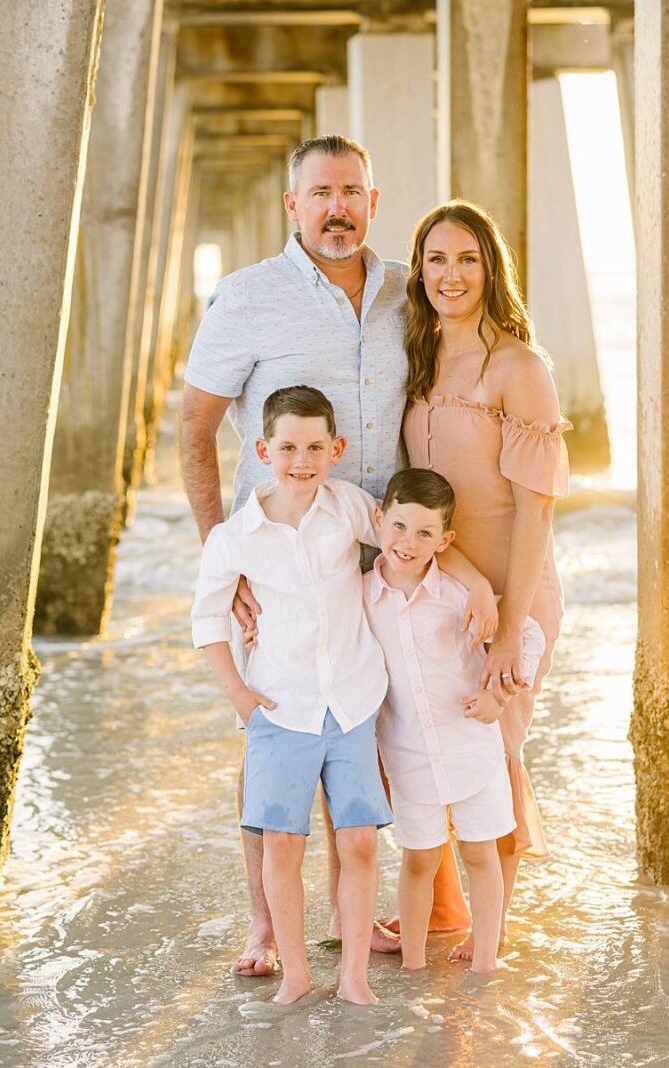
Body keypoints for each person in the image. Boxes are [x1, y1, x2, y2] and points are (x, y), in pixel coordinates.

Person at [178, 135, 486, 978]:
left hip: (388, 559)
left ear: (373, 202)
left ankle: (404, 910)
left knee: (385, 728)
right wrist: (224, 559)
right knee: (275, 740)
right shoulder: (248, 297)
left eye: (351, 192)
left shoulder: (405, 294)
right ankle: (264, 929)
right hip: (280, 561)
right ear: (293, 205)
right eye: (320, 194)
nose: (337, 209)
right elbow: (195, 429)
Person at [400, 200, 572, 962]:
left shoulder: (519, 368)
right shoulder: (421, 359)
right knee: (437, 745)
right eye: (437, 259)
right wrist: (463, 579)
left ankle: (490, 942)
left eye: (467, 259)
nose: (452, 275)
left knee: (494, 753)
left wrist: (509, 626)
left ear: (490, 269)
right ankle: (446, 912)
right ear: (419, 272)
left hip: (517, 589)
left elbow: (537, 510)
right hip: (452, 583)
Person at [190, 386, 391, 1006]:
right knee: (282, 843)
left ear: (337, 448)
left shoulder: (348, 506)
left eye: (314, 448)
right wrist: (239, 696)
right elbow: (207, 620)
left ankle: (353, 977)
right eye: (287, 448)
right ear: (263, 451)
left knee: (360, 841)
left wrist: (474, 590)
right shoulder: (236, 536)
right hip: (281, 707)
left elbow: (407, 545)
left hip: (352, 700)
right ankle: (297, 974)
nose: (301, 461)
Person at [365, 468, 545, 974]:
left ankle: (485, 963)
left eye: (425, 533)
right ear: (379, 521)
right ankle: (413, 967)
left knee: (479, 854)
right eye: (399, 526)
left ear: (445, 541)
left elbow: (527, 634)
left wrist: (499, 695)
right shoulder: (361, 599)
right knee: (419, 860)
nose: (408, 542)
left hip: (471, 748)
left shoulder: (459, 595)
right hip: (408, 755)